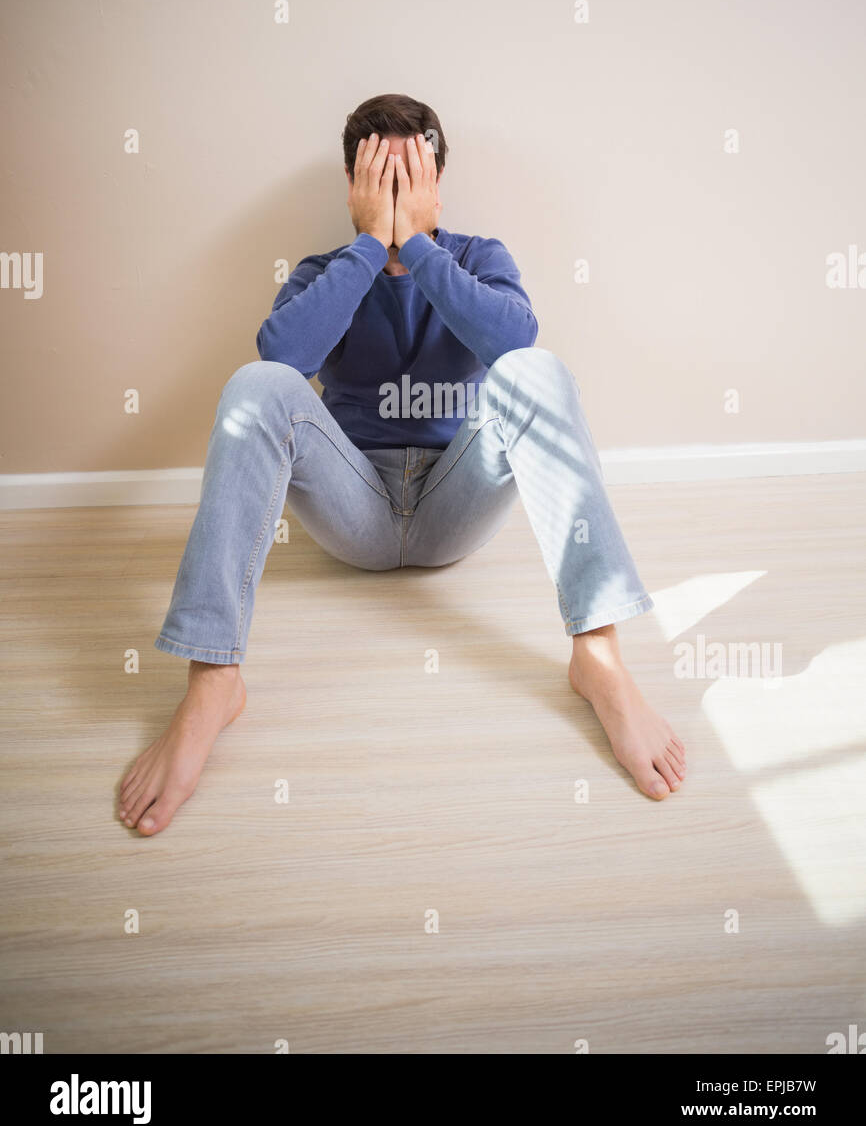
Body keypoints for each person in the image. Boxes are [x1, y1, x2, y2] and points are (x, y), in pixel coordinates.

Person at [118, 94, 685, 836]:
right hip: (354, 506)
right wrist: (366, 247)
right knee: (257, 386)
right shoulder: (327, 270)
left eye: (406, 178)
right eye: (376, 180)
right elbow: (284, 358)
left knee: (538, 371)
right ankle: (213, 679)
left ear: (435, 184)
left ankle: (599, 659)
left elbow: (512, 343)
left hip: (455, 501)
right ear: (352, 187)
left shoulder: (478, 258)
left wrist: (418, 246)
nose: (391, 196)